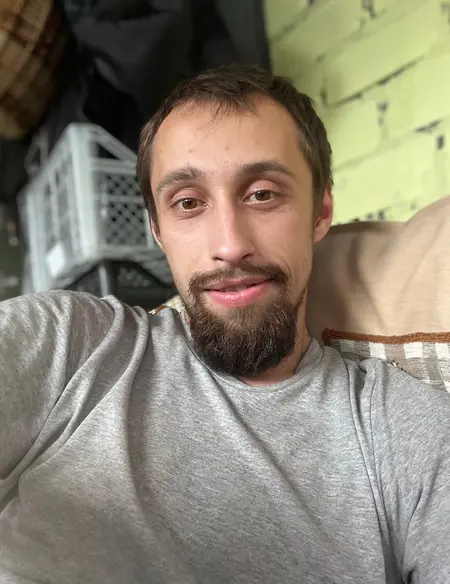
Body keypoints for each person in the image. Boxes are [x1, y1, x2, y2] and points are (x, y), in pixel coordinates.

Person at [0, 65, 449, 584]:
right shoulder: (71, 347)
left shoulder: (403, 432)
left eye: (262, 194)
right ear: (158, 231)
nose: (230, 245)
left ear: (320, 211)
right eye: (188, 203)